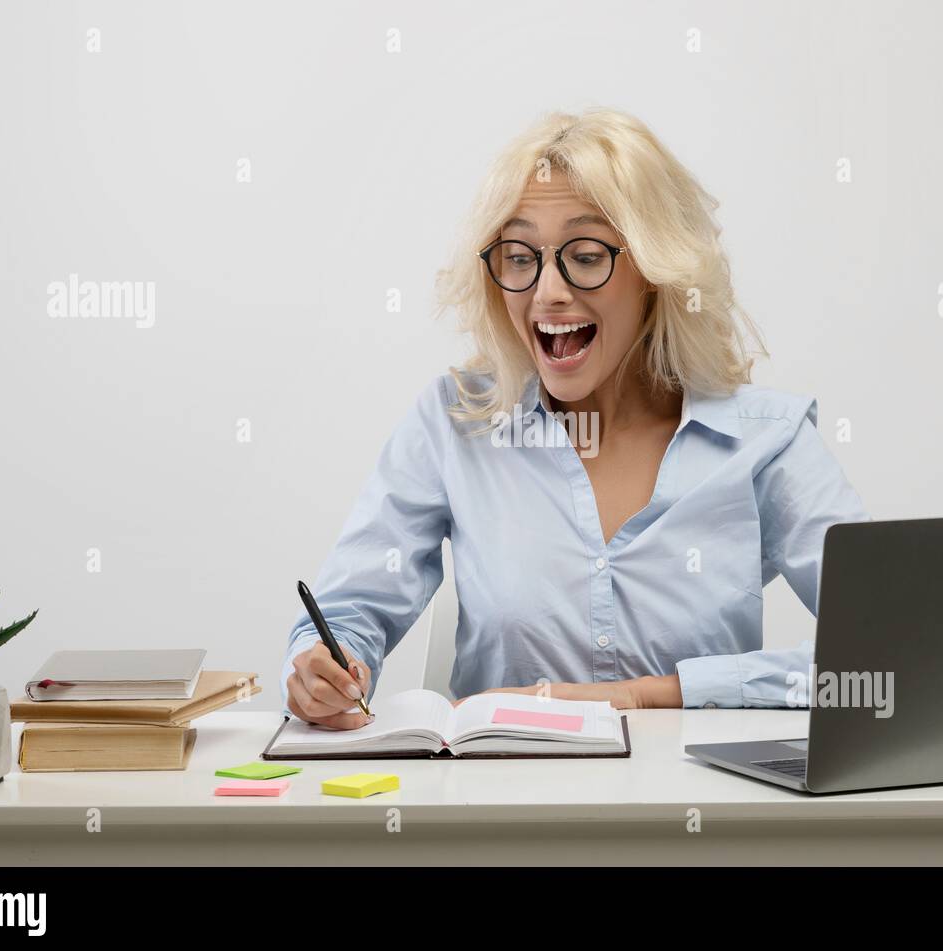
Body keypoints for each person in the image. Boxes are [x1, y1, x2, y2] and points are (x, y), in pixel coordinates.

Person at [282, 108, 869, 730]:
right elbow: (348, 614)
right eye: (518, 256)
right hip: (501, 807)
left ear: (654, 270)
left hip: (701, 809)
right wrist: (326, 664)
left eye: (585, 256)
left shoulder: (764, 439)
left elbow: (889, 653)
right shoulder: (456, 422)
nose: (547, 292)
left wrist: (648, 695)